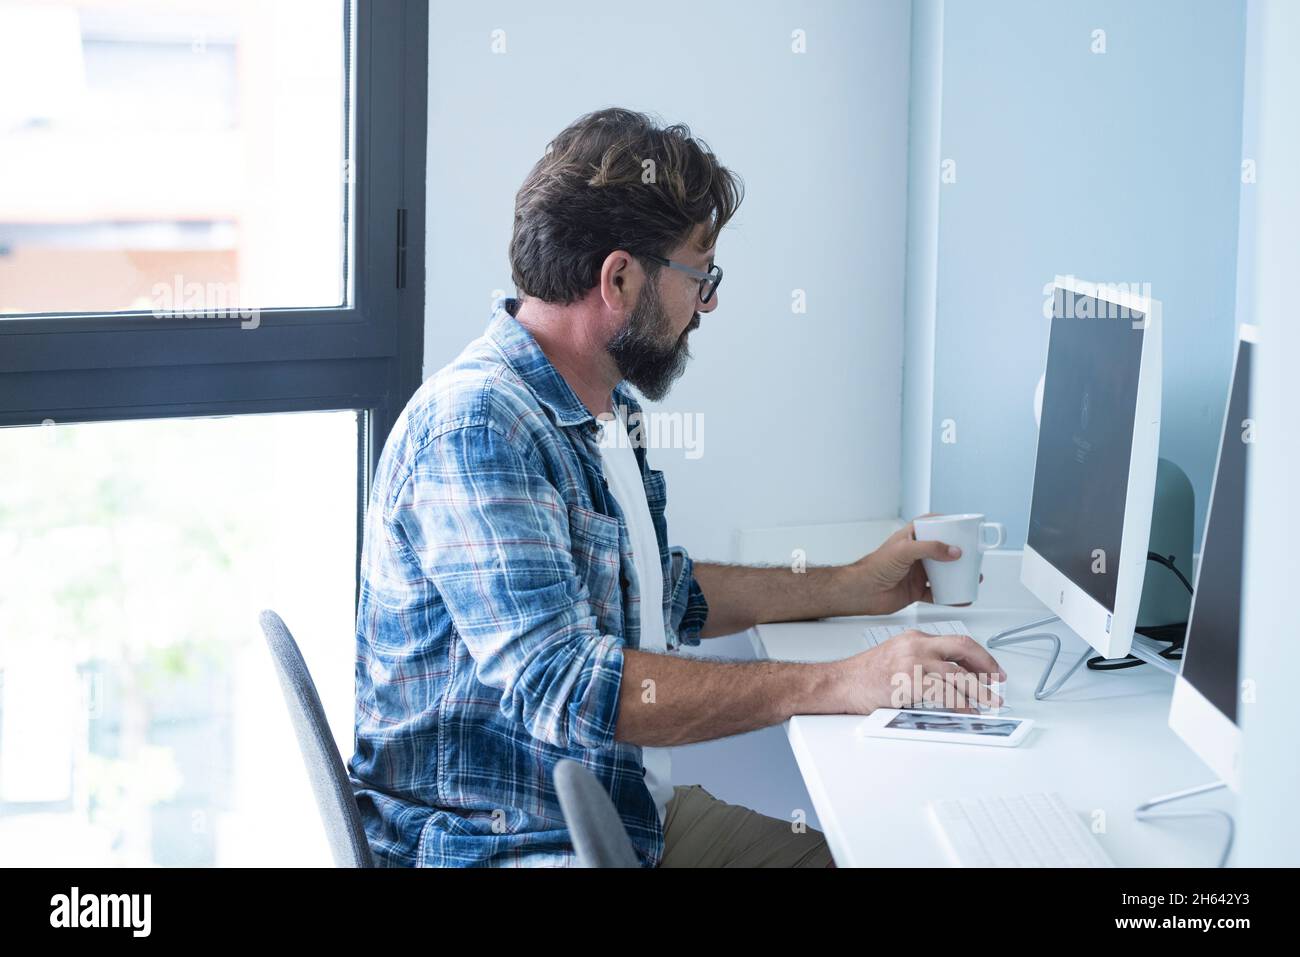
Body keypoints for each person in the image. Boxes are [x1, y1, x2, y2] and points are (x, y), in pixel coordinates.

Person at [349, 107, 1004, 868]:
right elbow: (568, 688)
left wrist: (857, 584)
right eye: (701, 274)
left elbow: (660, 593)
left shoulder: (603, 404)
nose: (709, 303)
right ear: (620, 278)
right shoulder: (478, 428)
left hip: (621, 816)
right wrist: (847, 681)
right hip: (511, 845)